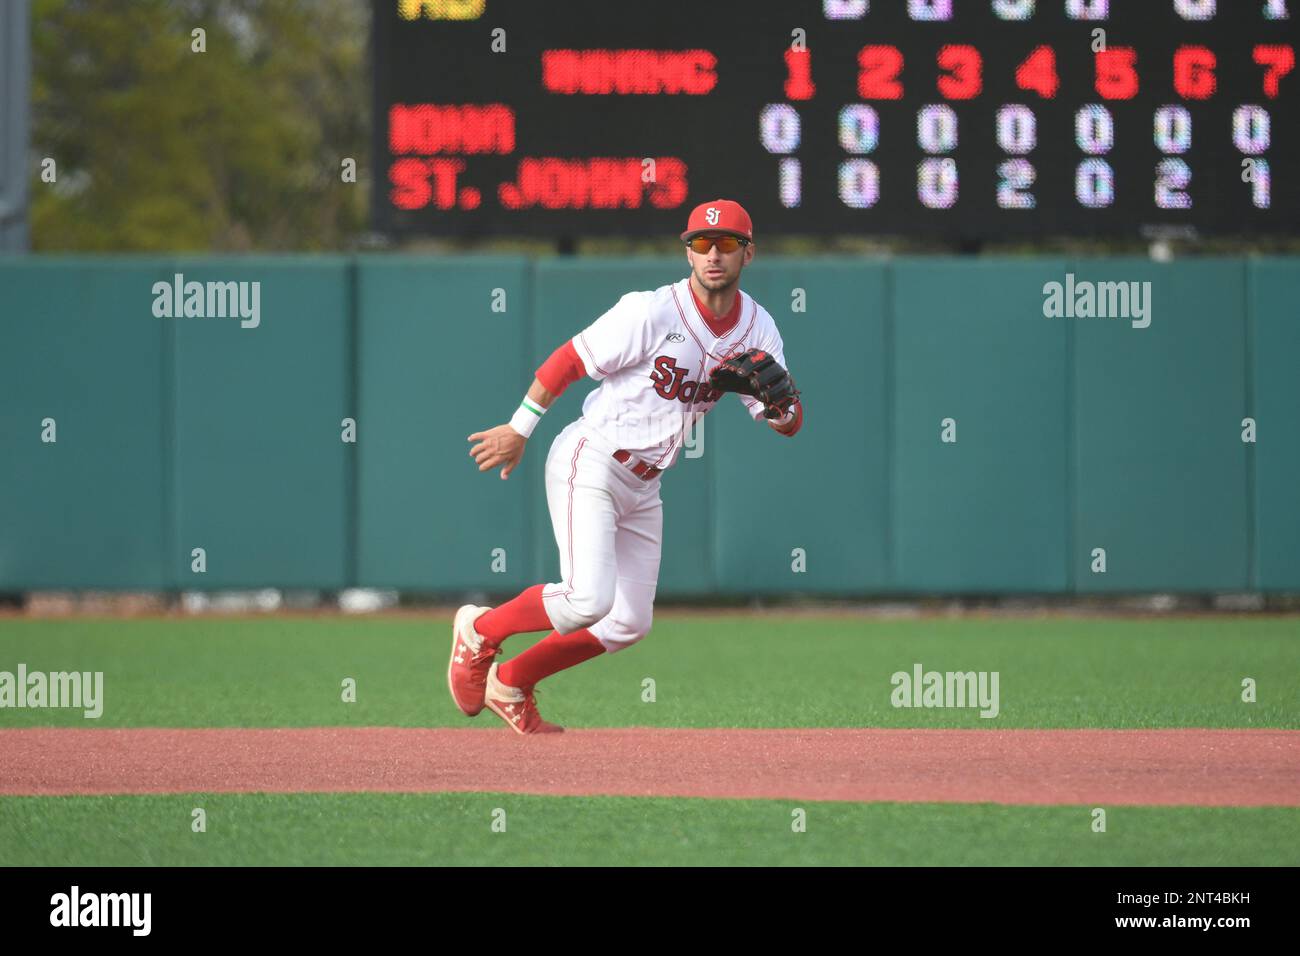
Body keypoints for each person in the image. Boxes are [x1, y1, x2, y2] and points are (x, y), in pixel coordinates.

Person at [449, 199, 803, 734]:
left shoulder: (759, 327)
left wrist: (781, 408)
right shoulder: (651, 311)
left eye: (726, 243)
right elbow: (569, 359)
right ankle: (479, 630)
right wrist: (520, 427)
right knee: (586, 598)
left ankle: (512, 680)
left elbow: (787, 421)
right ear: (687, 252)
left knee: (629, 621)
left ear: (747, 254)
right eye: (700, 243)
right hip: (591, 457)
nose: (712, 253)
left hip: (645, 484)